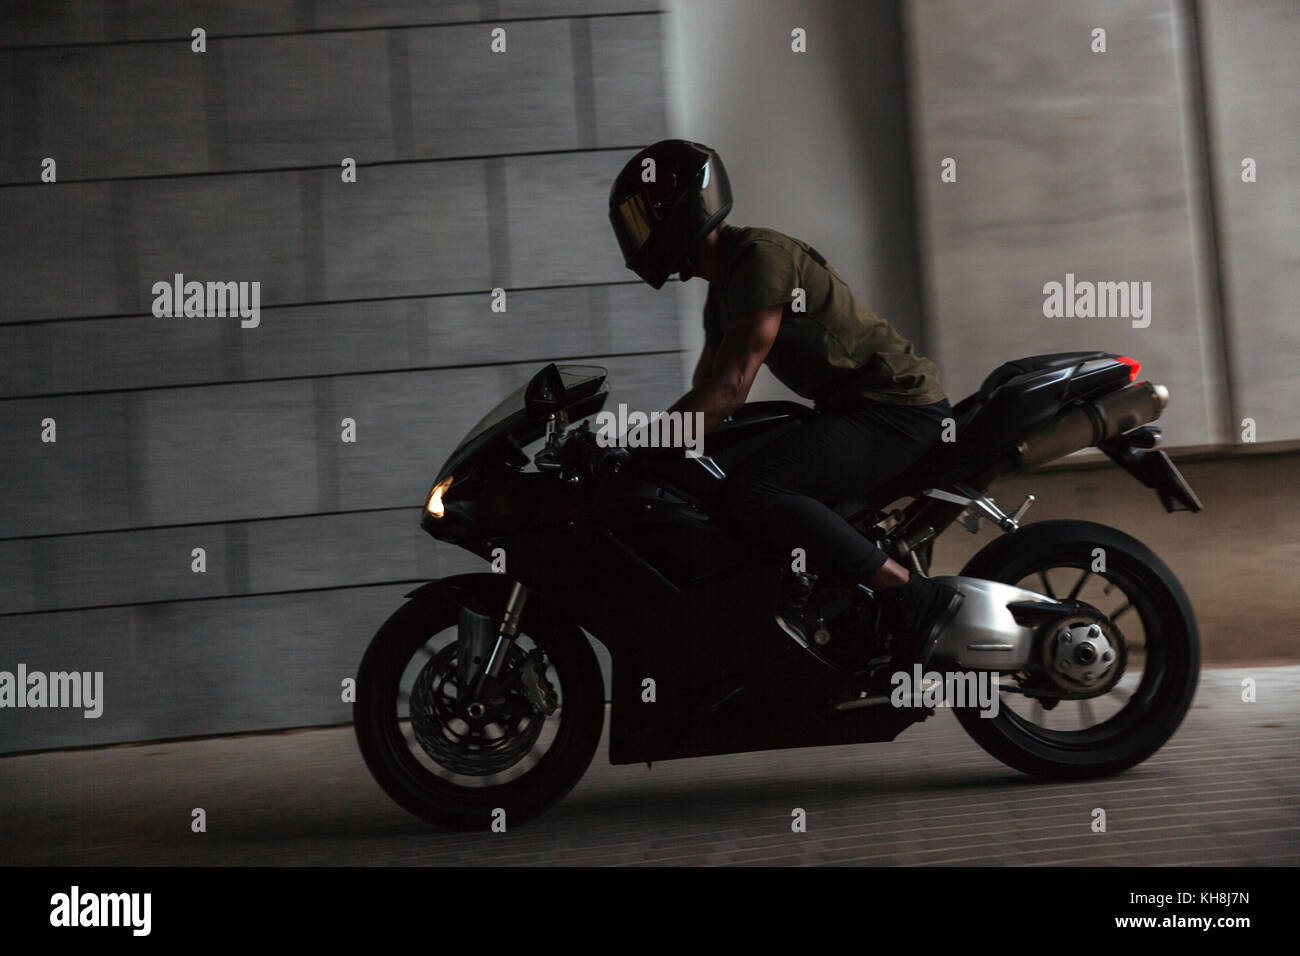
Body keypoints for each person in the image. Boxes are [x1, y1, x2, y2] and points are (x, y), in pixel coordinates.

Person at [608, 139, 963, 670]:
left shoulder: (760, 258)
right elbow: (705, 388)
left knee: (759, 490)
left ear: (679, 210)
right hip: (854, 409)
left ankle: (913, 595)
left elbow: (729, 389)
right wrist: (642, 443)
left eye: (645, 218)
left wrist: (640, 442)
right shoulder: (723, 286)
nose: (640, 235)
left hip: (895, 406)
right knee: (728, 481)